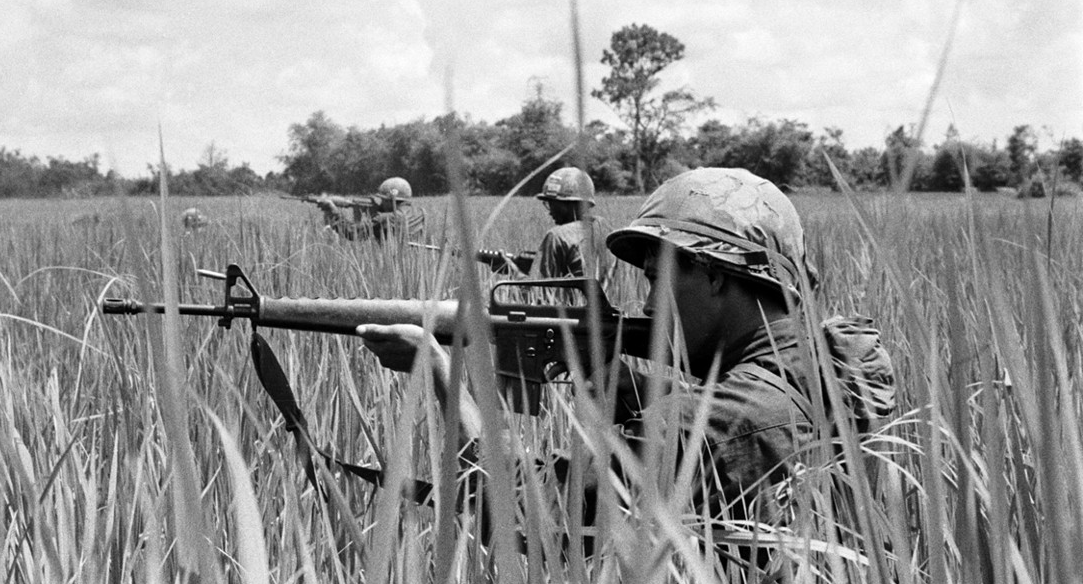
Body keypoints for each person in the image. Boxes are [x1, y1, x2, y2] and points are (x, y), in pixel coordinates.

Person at [356, 167, 895, 524]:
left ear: (710, 275)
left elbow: (519, 509)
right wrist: (615, 378)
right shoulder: (835, 364)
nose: (649, 304)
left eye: (657, 277)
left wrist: (440, 373)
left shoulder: (730, 419)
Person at [475, 167, 612, 282]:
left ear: (570, 203)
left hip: (574, 312)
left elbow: (538, 294)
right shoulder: (605, 228)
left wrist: (514, 271)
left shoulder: (557, 236)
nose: (550, 211)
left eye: (553, 204)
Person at [317, 176, 426, 242]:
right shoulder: (421, 213)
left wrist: (333, 211)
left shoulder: (384, 219)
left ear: (390, 200)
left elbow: (352, 233)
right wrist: (375, 212)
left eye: (383, 200)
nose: (381, 203)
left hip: (391, 266)